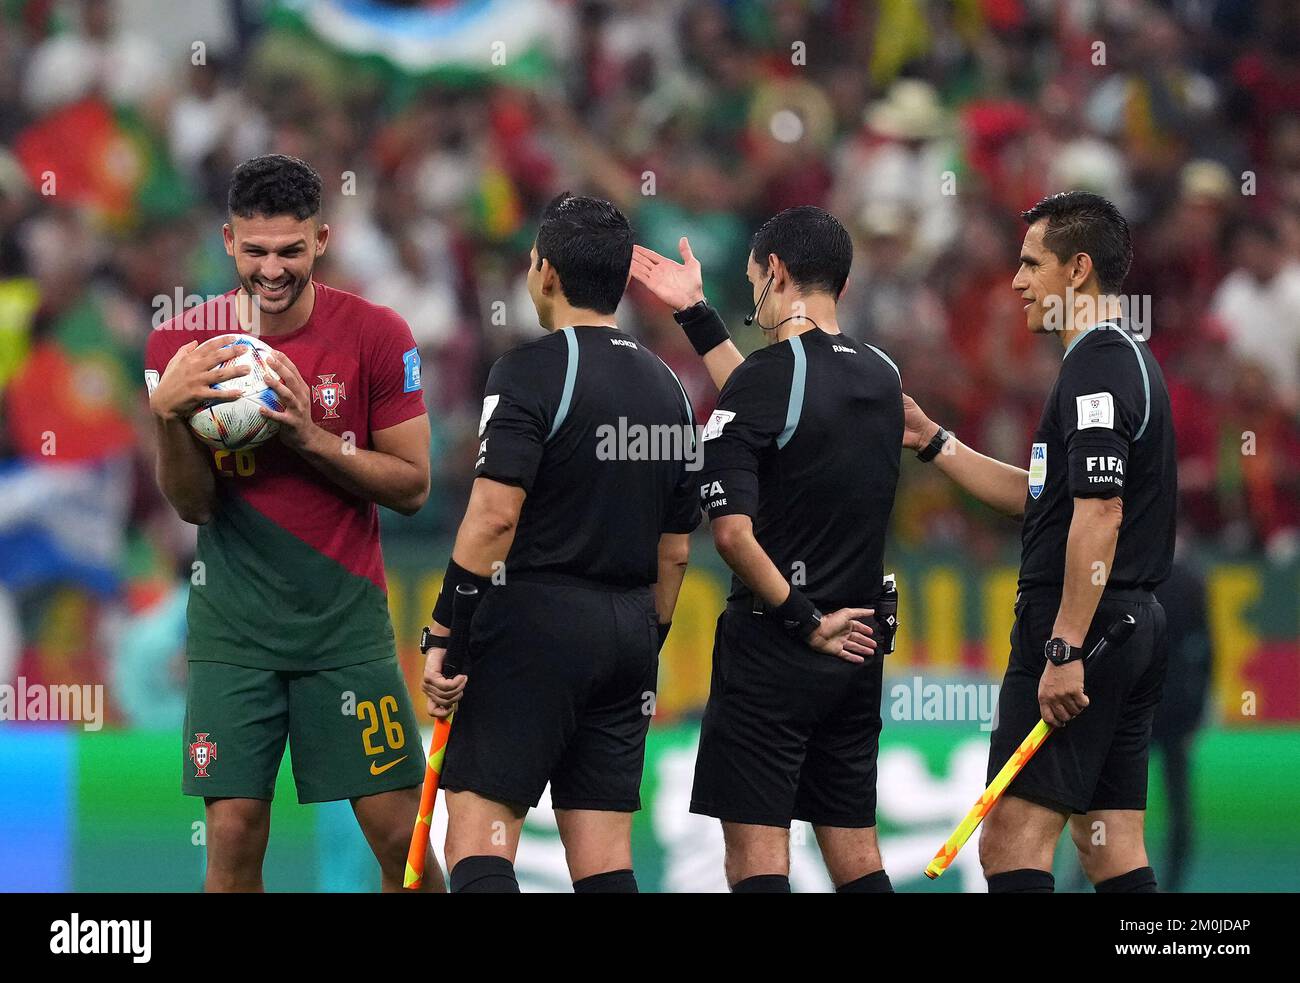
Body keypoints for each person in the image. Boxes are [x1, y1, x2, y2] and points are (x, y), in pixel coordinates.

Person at [144, 154, 436, 892]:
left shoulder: (376, 333)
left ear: (323, 240)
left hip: (344, 625)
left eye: (291, 250)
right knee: (234, 830)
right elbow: (192, 504)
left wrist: (308, 436)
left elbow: (412, 487)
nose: (272, 269)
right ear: (228, 241)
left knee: (398, 831)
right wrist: (168, 417)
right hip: (233, 632)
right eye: (255, 250)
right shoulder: (181, 349)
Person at [422, 193, 700, 894]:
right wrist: (645, 635)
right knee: (604, 857)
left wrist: (446, 628)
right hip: (629, 631)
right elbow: (677, 551)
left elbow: (493, 516)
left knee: (480, 834)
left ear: (543, 272)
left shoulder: (531, 370)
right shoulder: (669, 385)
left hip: (533, 624)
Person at [904, 191, 1177, 893]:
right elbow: (1042, 499)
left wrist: (1063, 646)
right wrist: (936, 442)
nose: (1018, 282)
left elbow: (1100, 514)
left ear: (1078, 269)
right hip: (1128, 624)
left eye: (1031, 265)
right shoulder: (1125, 361)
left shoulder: (1097, 366)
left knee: (1011, 843)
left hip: (1083, 629)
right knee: (1110, 847)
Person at [632, 205, 900, 893]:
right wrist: (697, 313)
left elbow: (730, 533)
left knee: (756, 859)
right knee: (857, 856)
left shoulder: (769, 379)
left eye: (754, 280)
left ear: (774, 272)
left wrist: (806, 620)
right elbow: (773, 398)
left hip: (780, 642)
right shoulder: (883, 377)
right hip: (860, 644)